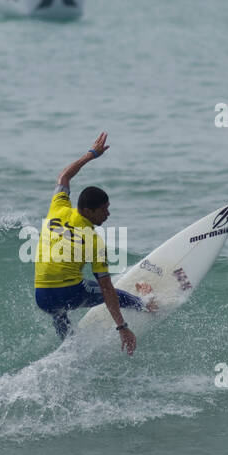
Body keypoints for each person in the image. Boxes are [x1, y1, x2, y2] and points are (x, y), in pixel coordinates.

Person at [34, 133, 151, 353]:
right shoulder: (94, 242)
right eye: (103, 210)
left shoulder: (57, 207)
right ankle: (145, 303)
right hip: (69, 293)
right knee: (116, 294)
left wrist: (91, 155)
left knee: (58, 312)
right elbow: (107, 289)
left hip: (42, 297)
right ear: (88, 211)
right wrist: (122, 327)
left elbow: (64, 176)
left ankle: (70, 347)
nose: (108, 214)